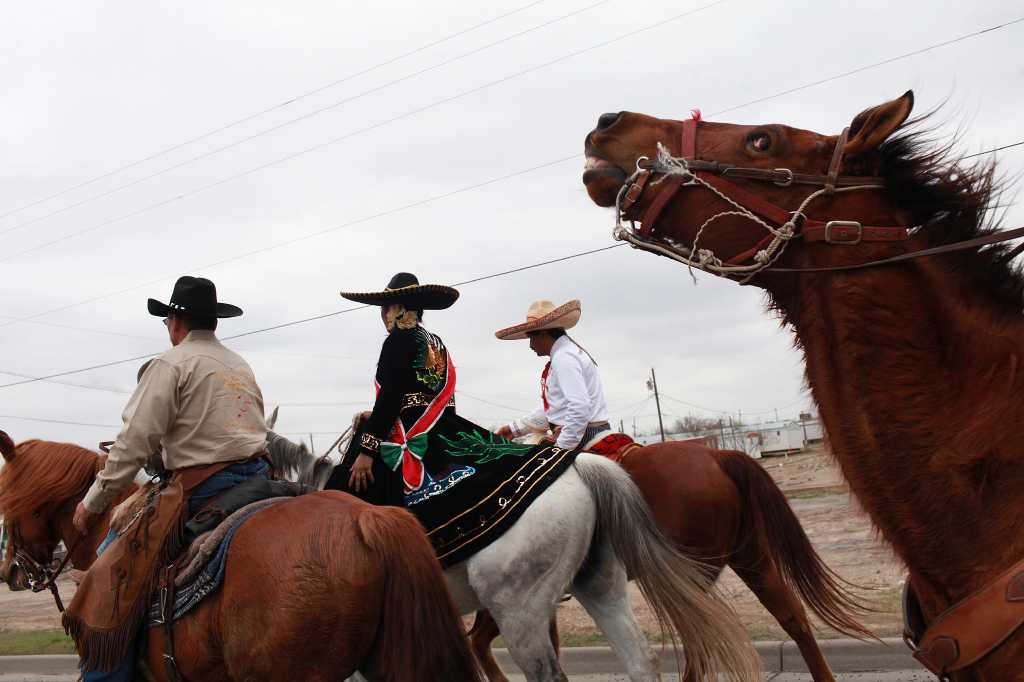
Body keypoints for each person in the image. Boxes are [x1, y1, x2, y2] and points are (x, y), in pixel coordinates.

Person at [71, 275, 269, 682]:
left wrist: (92, 502)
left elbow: (133, 443)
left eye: (166, 321)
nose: (167, 329)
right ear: (212, 321)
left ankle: (105, 675)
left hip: (205, 488)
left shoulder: (170, 363)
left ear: (176, 321)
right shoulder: (238, 364)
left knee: (111, 568)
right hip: (261, 478)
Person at [338, 272, 461, 505]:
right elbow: (444, 398)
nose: (382, 314)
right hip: (439, 430)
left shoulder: (398, 339)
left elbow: (391, 397)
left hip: (410, 435)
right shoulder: (435, 341)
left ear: (392, 309)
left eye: (384, 307)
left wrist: (367, 450)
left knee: (344, 492)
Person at [495, 300, 612, 451]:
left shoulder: (564, 357)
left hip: (583, 434)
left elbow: (579, 407)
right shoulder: (568, 353)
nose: (530, 345)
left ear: (543, 334)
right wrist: (514, 429)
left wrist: (561, 447)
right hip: (587, 430)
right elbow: (556, 408)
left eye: (531, 337)